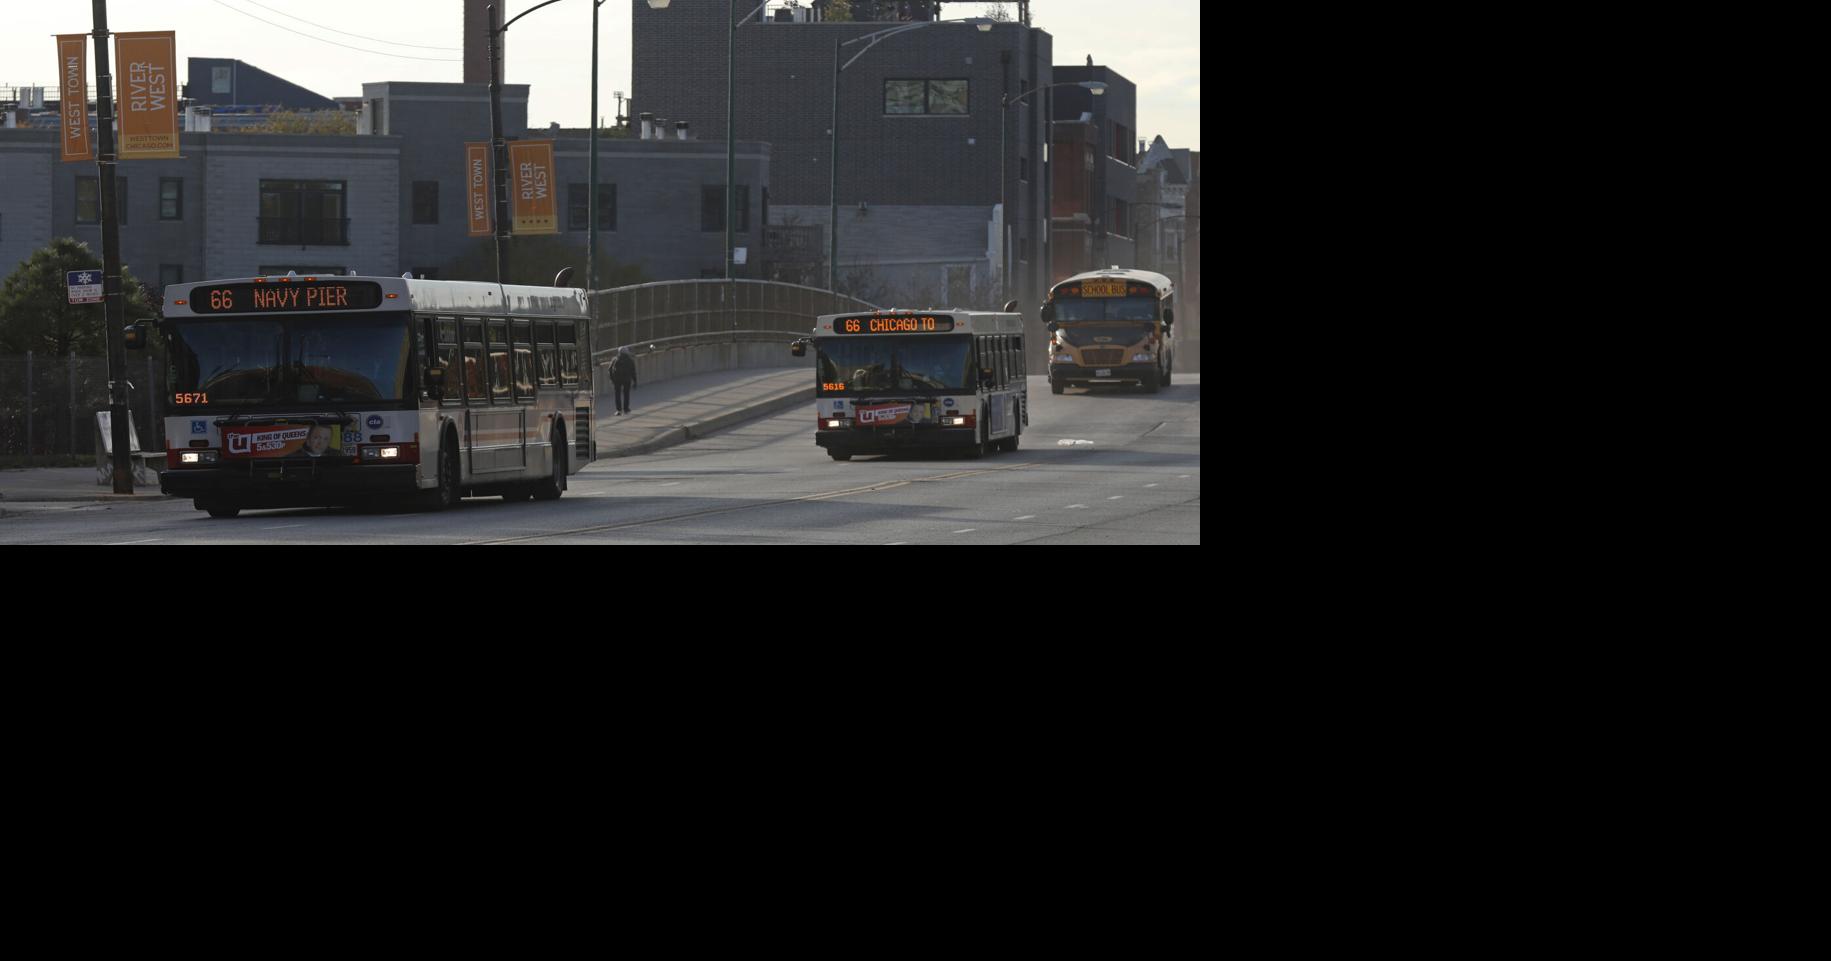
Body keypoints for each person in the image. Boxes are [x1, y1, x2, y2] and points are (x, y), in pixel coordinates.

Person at [610, 347, 638, 415]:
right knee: (626, 394)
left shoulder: (615, 359)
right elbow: (633, 371)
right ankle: (626, 409)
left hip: (617, 380)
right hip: (627, 379)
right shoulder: (630, 360)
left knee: (617, 394)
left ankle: (618, 410)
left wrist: (612, 379)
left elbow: (610, 370)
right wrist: (635, 381)